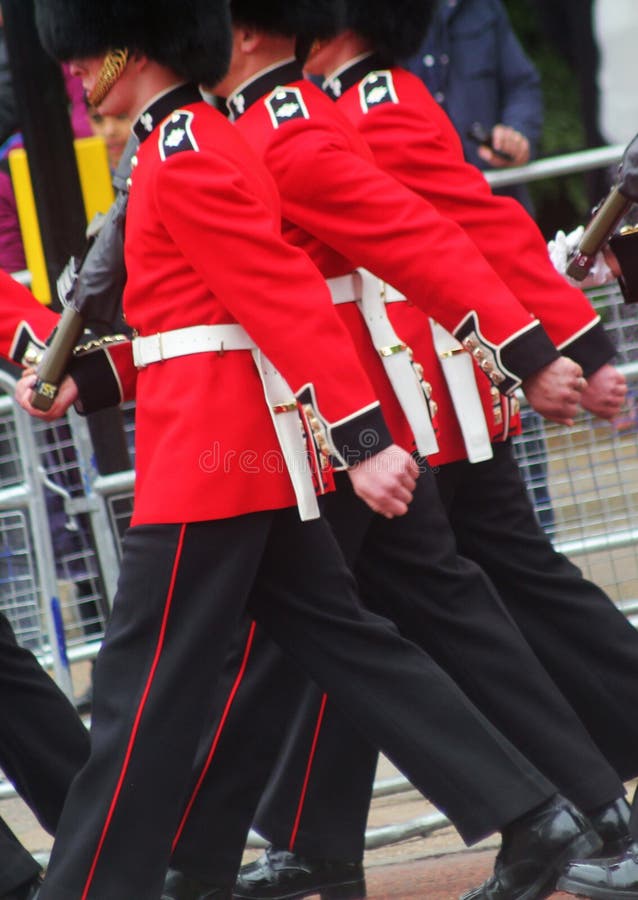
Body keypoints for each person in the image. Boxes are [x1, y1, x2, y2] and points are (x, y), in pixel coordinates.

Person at [15, 2, 609, 898]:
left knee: (142, 696)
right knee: (344, 647)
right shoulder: (192, 145)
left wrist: (369, 436)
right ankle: (530, 811)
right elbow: (191, 323)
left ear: (125, 49)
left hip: (216, 461)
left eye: (84, 54)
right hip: (245, 445)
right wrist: (85, 382)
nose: (74, 73)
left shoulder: (189, 153)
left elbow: (286, 297)